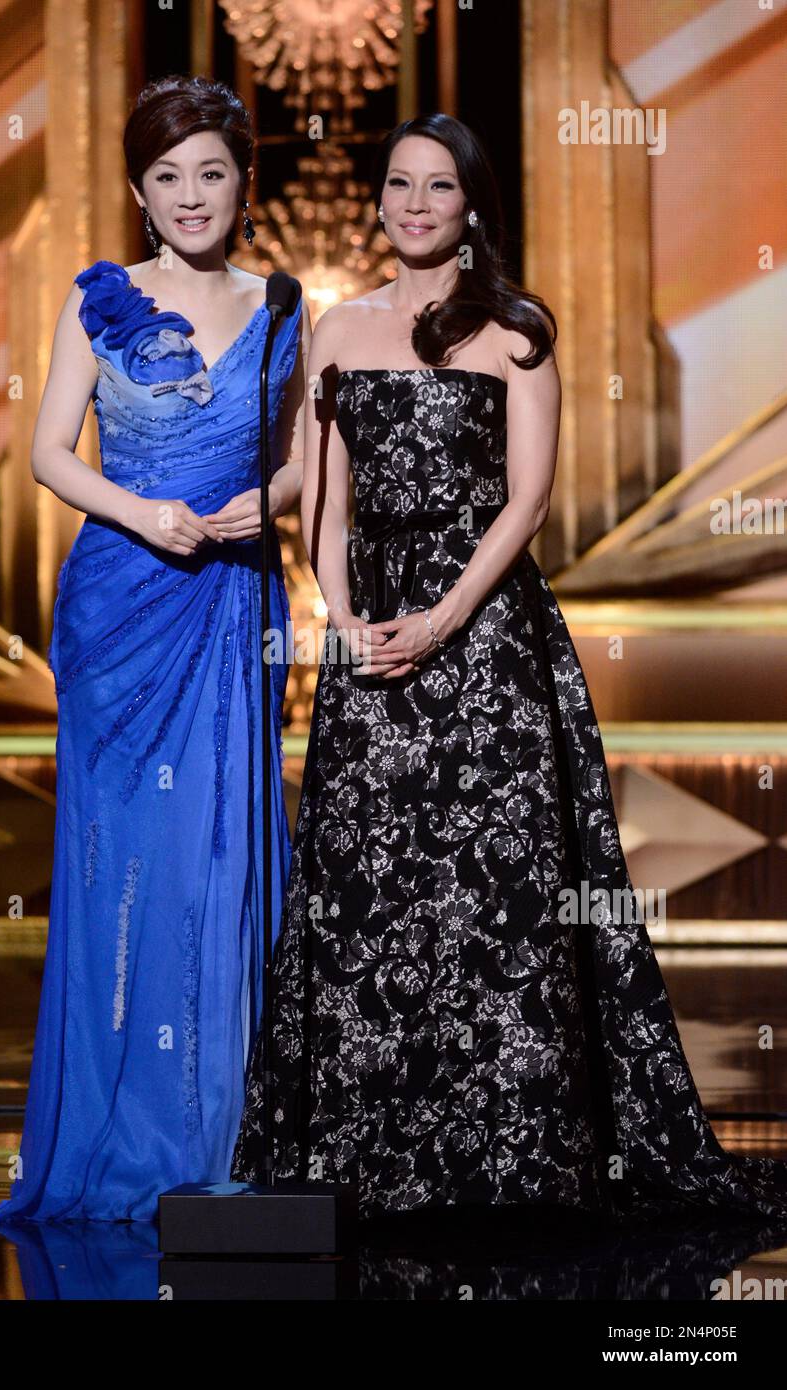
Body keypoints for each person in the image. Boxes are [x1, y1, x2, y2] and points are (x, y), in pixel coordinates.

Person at [230, 113, 787, 1229]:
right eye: (397, 185)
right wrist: (342, 615)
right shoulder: (336, 333)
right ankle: (369, 1147)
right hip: (365, 635)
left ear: (471, 203)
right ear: (378, 201)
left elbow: (525, 500)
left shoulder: (516, 331)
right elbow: (320, 500)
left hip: (485, 638)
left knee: (492, 901)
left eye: (437, 187)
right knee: (369, 893)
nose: (413, 204)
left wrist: (436, 618)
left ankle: (511, 1150)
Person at [0, 74, 308, 1225]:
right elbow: (45, 454)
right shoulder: (102, 300)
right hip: (123, 609)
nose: (189, 194)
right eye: (166, 176)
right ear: (137, 189)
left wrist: (257, 504)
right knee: (123, 866)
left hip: (231, 601)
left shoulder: (281, 304)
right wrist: (142, 513)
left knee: (223, 856)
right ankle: (118, 1130)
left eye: (210, 172)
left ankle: (220, 1126)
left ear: (242, 182)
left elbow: (302, 461)